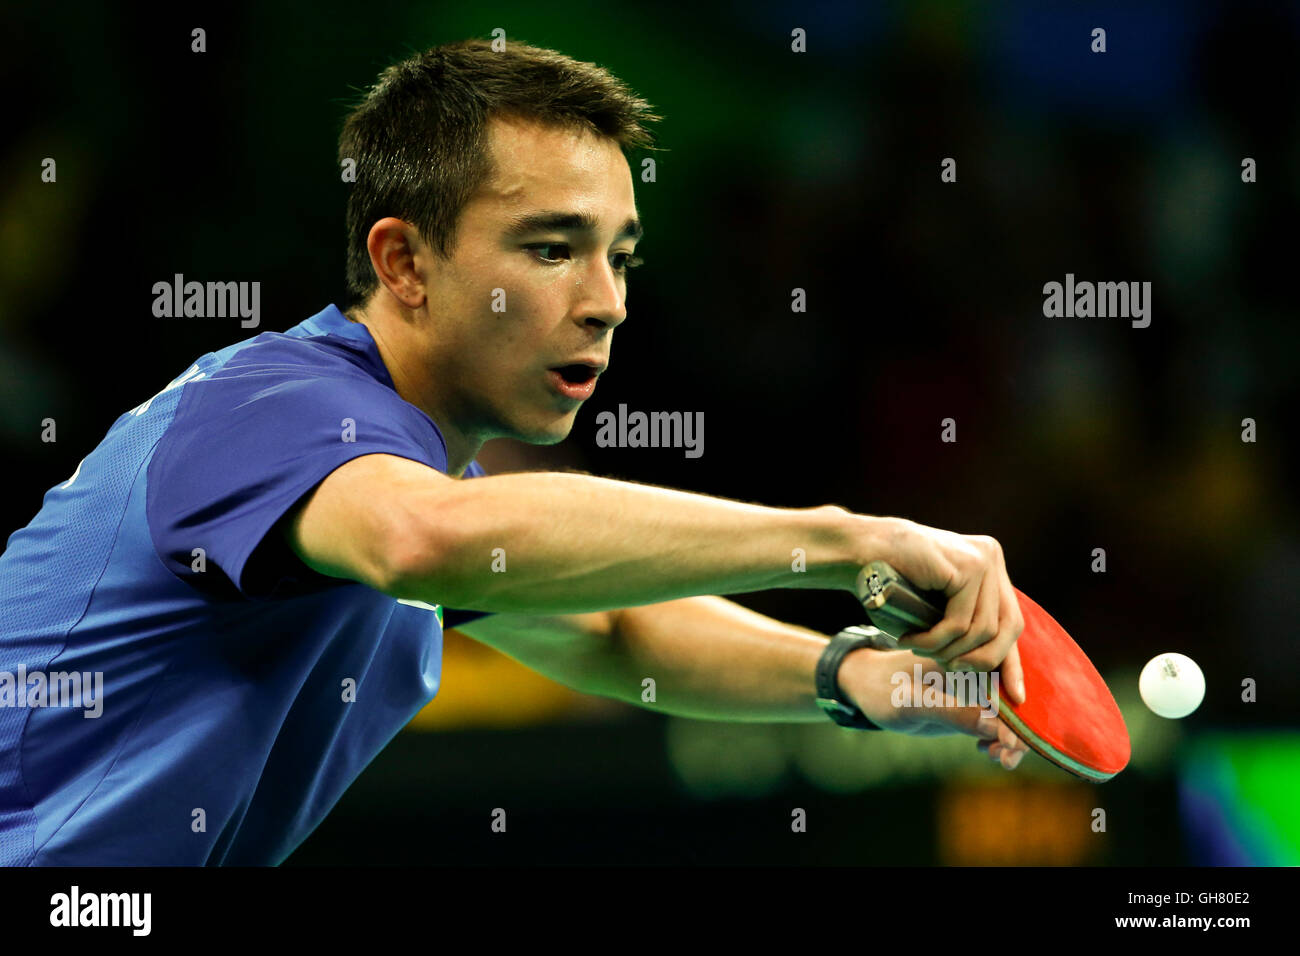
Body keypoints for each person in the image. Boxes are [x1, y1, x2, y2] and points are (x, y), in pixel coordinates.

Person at [0, 38, 1026, 866]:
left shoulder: (400, 478)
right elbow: (424, 540)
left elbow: (612, 628)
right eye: (551, 250)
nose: (607, 302)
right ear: (403, 260)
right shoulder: (275, 408)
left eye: (620, 256)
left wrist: (858, 676)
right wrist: (848, 539)